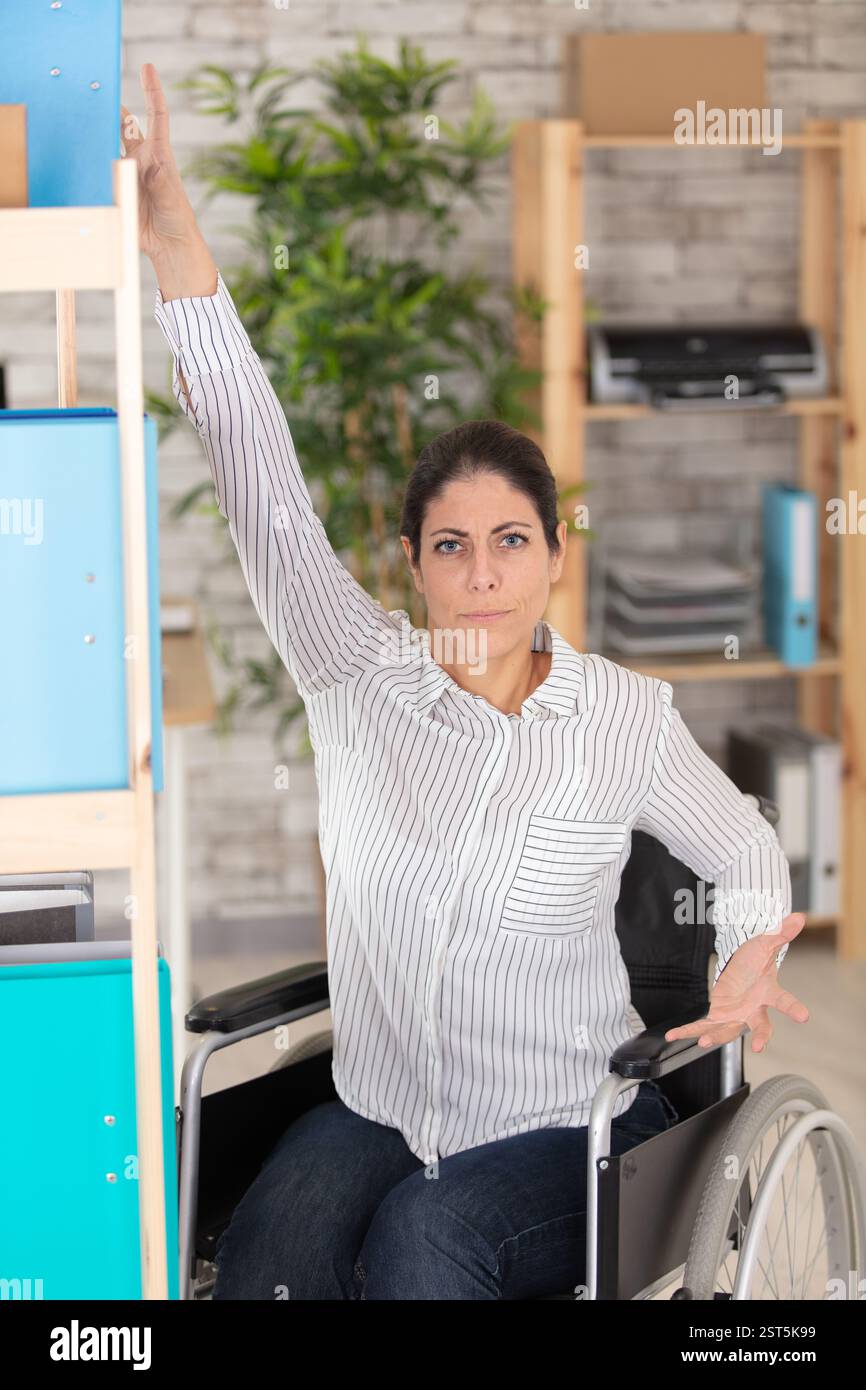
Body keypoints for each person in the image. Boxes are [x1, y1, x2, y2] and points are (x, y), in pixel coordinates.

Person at [122, 64, 810, 1301]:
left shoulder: (620, 717)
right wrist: (173, 232)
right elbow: (256, 472)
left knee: (423, 1245)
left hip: (570, 1118)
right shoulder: (354, 669)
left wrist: (749, 953)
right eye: (451, 545)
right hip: (381, 1103)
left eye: (510, 542)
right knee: (271, 1257)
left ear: (552, 554)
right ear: (413, 564)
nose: (482, 575)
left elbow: (744, 845)